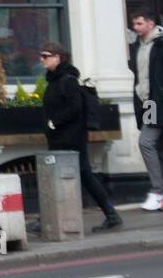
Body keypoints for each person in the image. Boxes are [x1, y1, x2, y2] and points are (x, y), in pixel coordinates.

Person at [38, 41, 122, 232]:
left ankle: (111, 215)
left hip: (70, 137)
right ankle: (111, 215)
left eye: (45, 56)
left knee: (78, 175)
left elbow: (74, 108)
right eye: (41, 56)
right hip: (59, 136)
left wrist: (54, 122)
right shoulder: (55, 79)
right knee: (78, 175)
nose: (42, 59)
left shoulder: (68, 80)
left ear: (58, 57)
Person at [128, 11, 163, 211]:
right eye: (134, 24)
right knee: (160, 147)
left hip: (157, 103)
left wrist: (162, 95)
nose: (135, 27)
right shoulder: (138, 46)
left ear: (150, 24)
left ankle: (157, 190)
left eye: (139, 23)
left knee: (145, 142)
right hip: (147, 104)